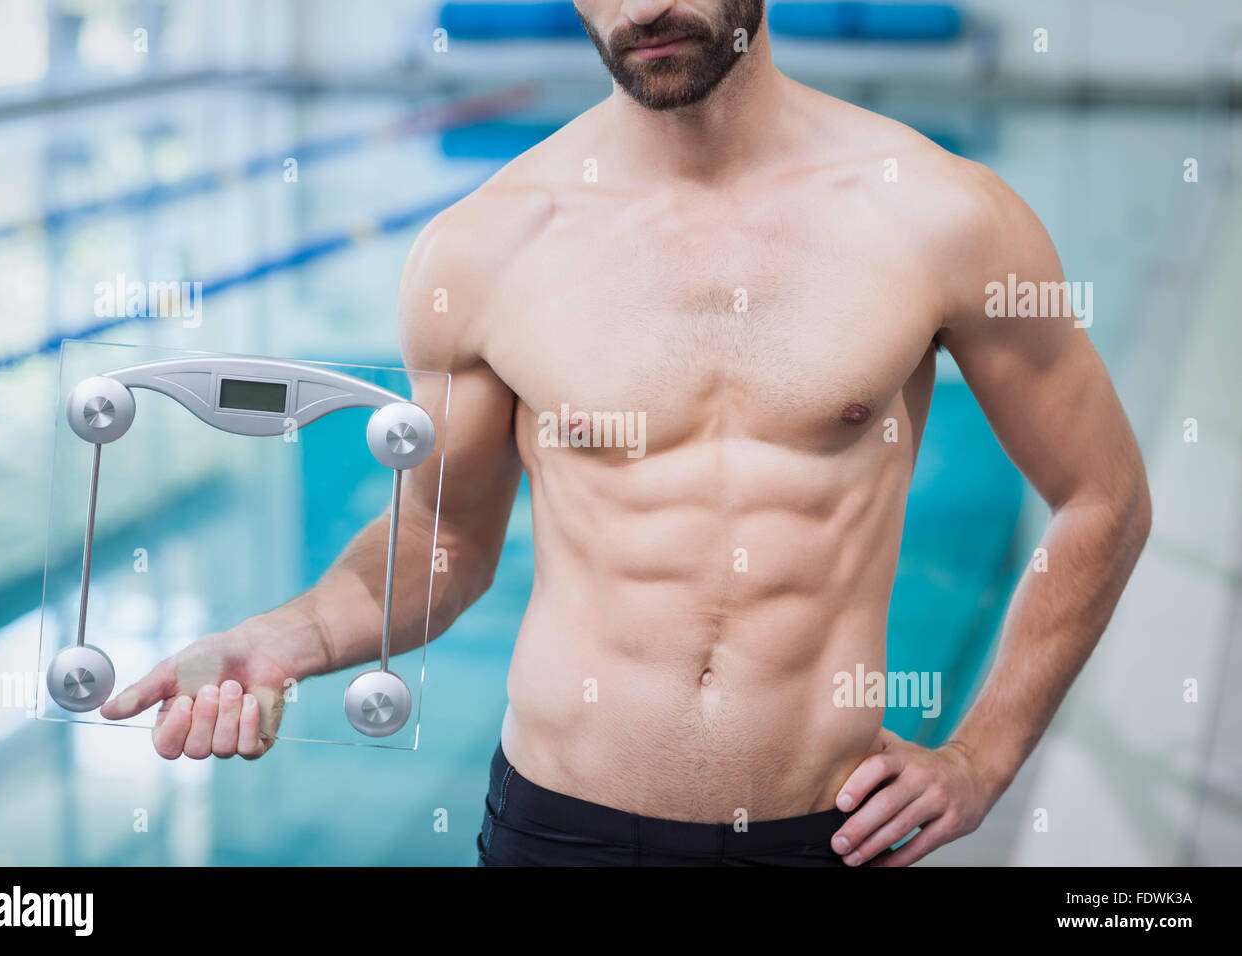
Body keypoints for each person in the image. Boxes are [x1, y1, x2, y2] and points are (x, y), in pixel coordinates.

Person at [102, 0, 1152, 867]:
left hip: (823, 831)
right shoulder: (484, 249)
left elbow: (1101, 497)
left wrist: (980, 756)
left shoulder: (940, 215)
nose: (644, 8)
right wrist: (278, 639)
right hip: (559, 828)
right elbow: (439, 541)